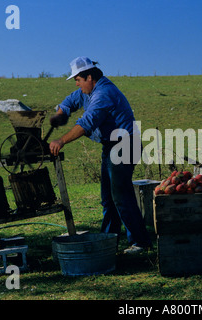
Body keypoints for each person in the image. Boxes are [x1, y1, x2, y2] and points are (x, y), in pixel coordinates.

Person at [49, 56, 152, 254]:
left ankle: (141, 242)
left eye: (78, 79)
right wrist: (60, 115)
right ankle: (107, 241)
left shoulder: (103, 94)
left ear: (89, 77)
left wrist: (61, 141)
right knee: (108, 198)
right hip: (112, 146)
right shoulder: (87, 91)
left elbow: (86, 124)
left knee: (120, 195)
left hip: (125, 145)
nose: (77, 84)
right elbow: (69, 102)